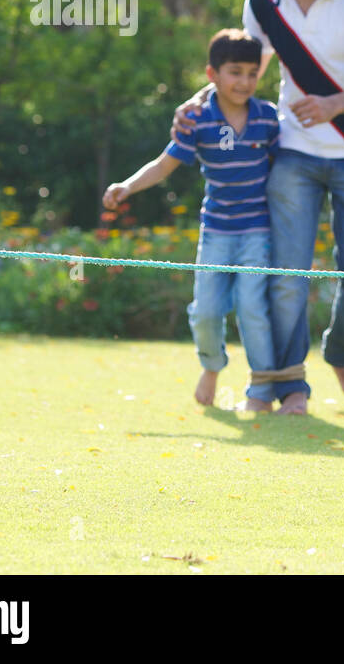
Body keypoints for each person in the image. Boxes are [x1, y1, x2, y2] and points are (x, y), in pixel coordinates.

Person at [175, 0, 344, 414]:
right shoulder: (263, 0)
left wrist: (335, 104)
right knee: (287, 279)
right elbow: (237, 72)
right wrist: (194, 102)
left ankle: (340, 353)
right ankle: (289, 386)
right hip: (292, 151)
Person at [103, 29, 280, 410]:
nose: (245, 81)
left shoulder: (268, 117)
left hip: (257, 230)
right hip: (216, 229)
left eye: (252, 73)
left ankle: (262, 391)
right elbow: (164, 165)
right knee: (206, 311)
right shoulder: (197, 119)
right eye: (235, 72)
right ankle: (212, 367)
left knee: (252, 307)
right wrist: (127, 187)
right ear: (212, 74)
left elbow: (290, 168)